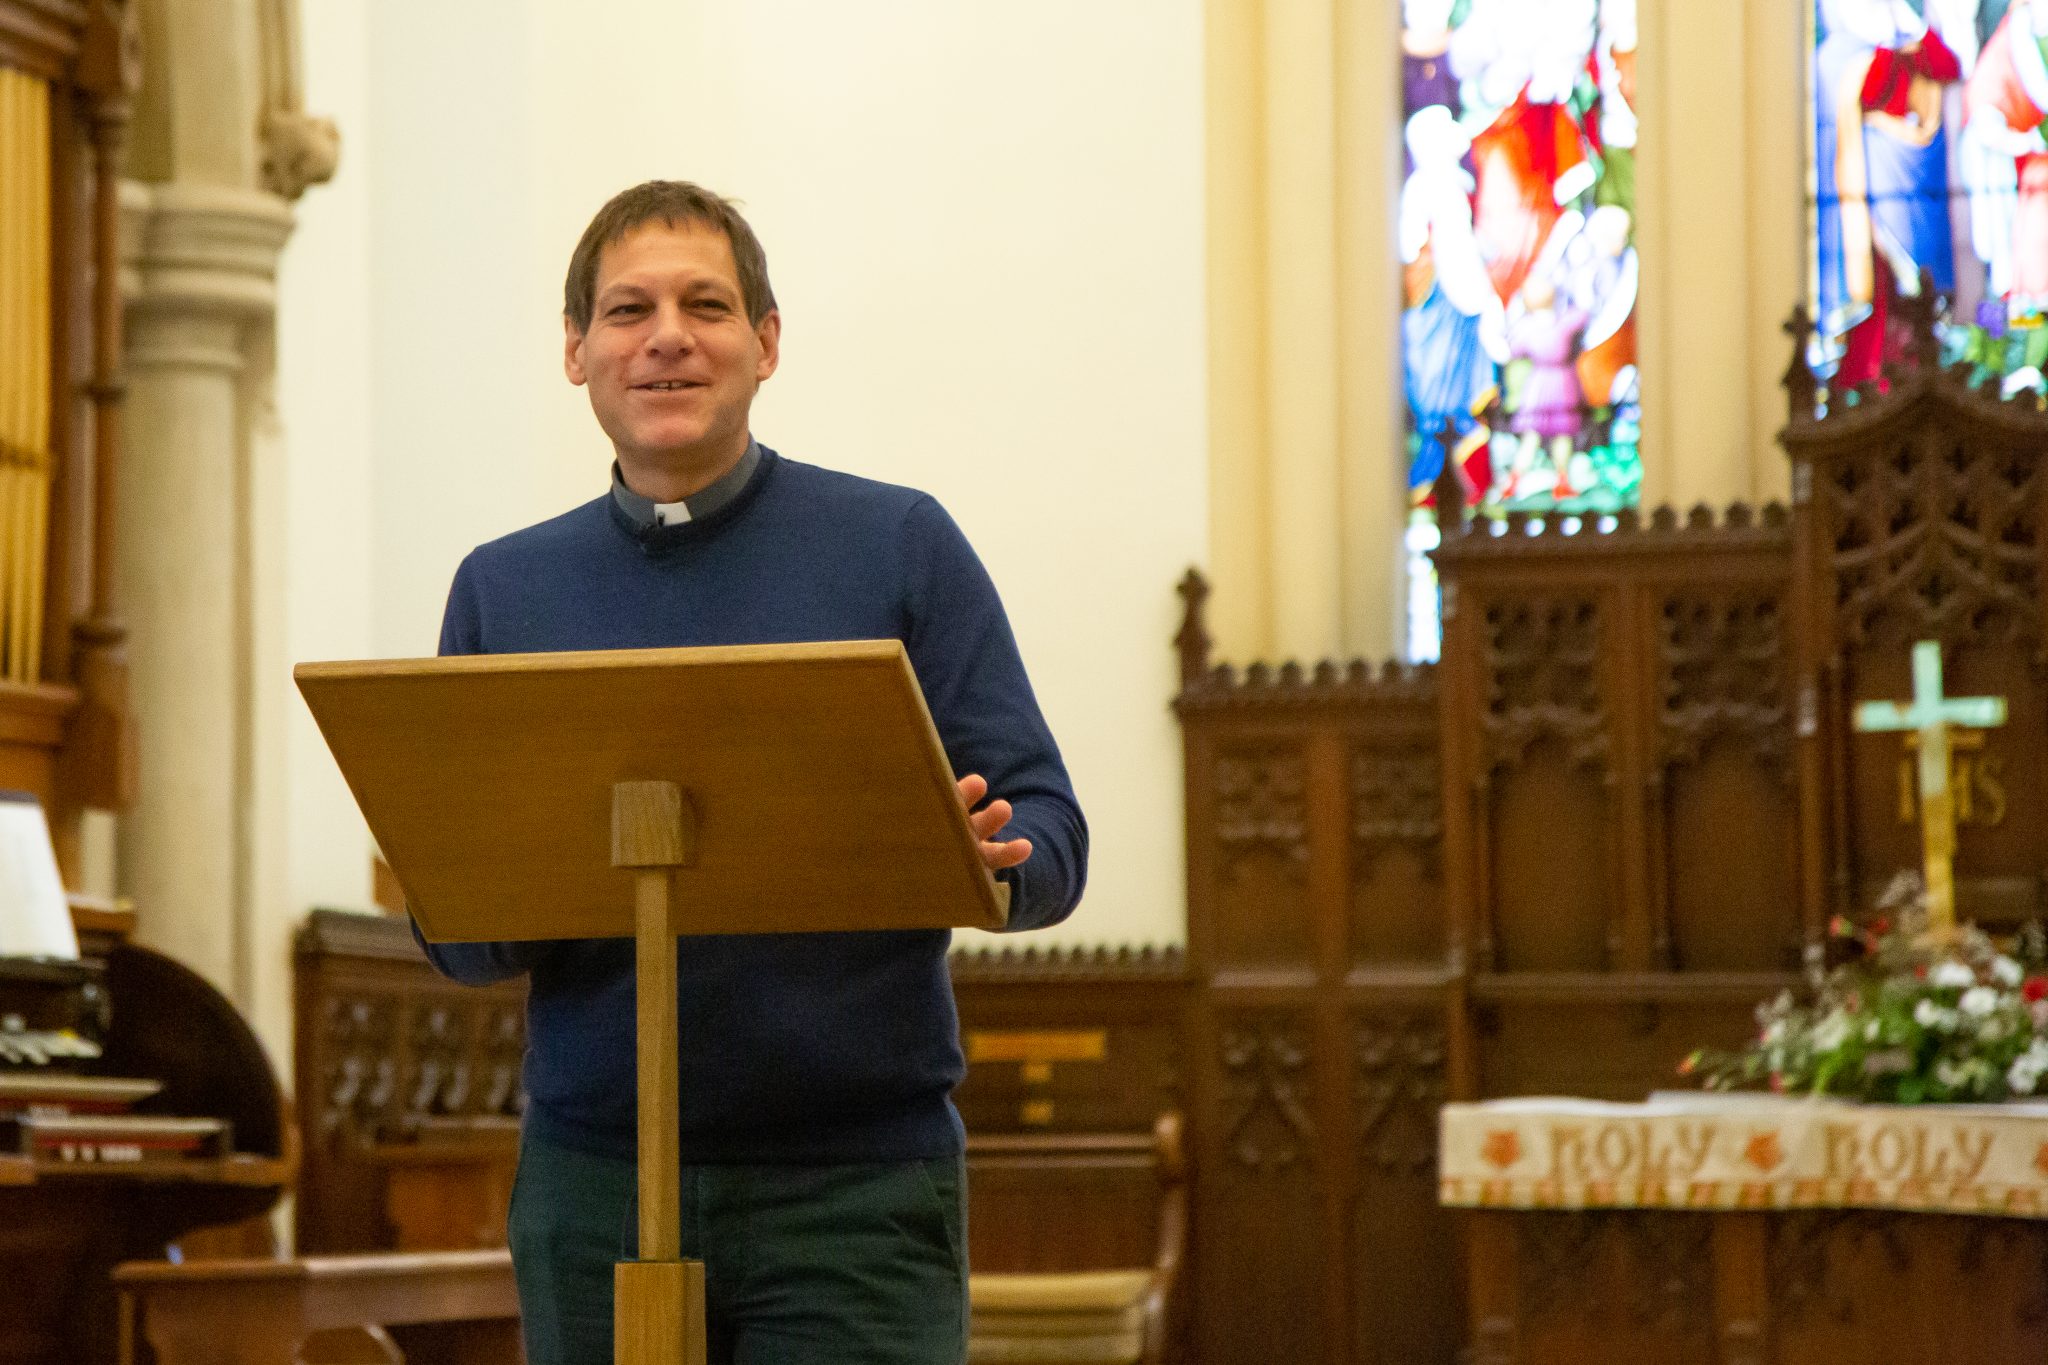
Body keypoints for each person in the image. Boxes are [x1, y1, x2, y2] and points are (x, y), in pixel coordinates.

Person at [415, 180, 1089, 1365]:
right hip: (594, 1183)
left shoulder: (895, 546)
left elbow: (1046, 823)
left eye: (705, 304)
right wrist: (459, 883)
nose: (665, 335)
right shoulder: (505, 591)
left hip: (852, 1194)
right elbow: (463, 934)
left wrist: (997, 857)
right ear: (575, 352)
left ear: (766, 343)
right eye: (626, 310)